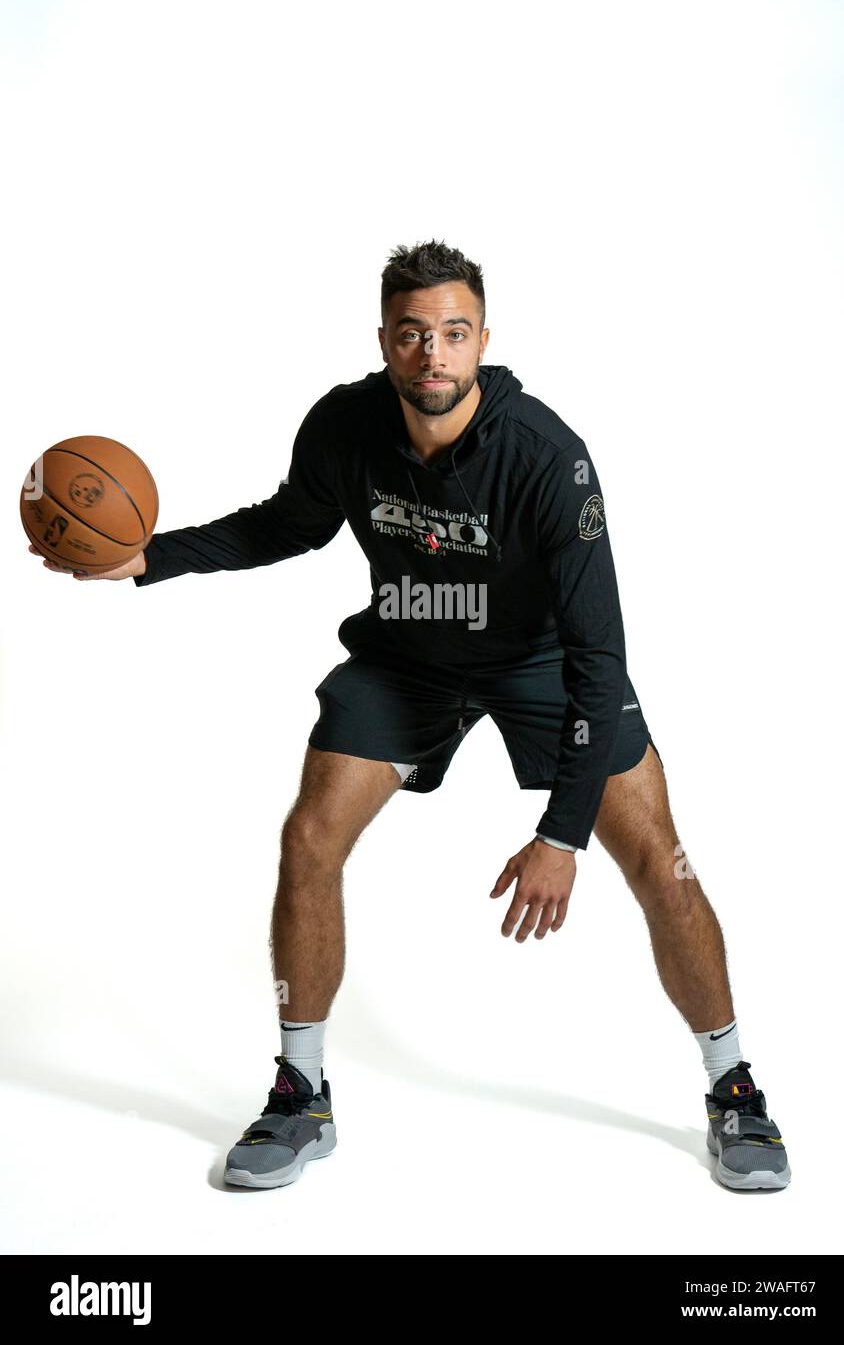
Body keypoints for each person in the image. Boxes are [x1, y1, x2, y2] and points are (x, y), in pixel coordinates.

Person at [29, 238, 790, 1193]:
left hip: (542, 663)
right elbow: (288, 524)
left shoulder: (550, 459)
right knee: (309, 839)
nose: (434, 353)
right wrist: (152, 558)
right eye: (413, 334)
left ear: (483, 341)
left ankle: (735, 1091)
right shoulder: (344, 426)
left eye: (454, 333)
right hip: (407, 656)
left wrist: (561, 835)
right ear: (385, 341)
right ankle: (300, 1094)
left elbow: (601, 657)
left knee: (660, 862)